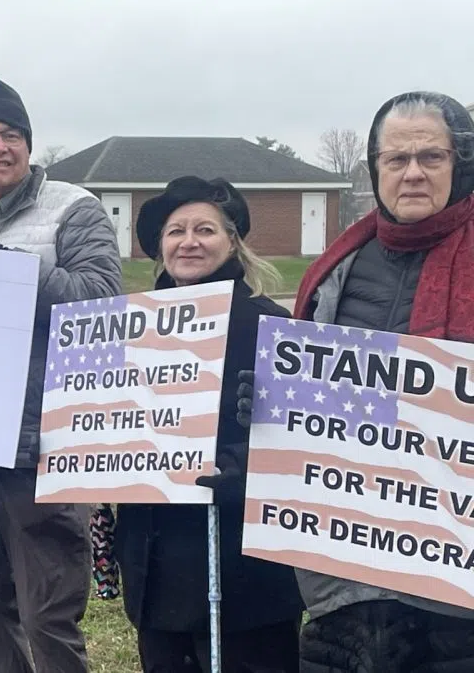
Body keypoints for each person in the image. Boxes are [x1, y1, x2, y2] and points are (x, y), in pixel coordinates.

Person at [250, 91, 474, 672]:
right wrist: (272, 404)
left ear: (462, 162)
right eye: (396, 160)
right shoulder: (340, 264)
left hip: (456, 578)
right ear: (376, 170)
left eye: (432, 157)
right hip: (343, 571)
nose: (414, 173)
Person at [0, 76, 122, 673]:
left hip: (38, 446)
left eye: (11, 134)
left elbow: (103, 303)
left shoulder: (72, 207)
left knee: (48, 617)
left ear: (29, 146)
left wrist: (5, 269)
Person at [114, 177, 302, 672]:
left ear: (232, 240)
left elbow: (304, 441)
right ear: (159, 246)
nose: (189, 241)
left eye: (205, 230)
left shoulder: (271, 325)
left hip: (243, 572)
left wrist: (244, 468)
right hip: (155, 565)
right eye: (176, 231)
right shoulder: (125, 332)